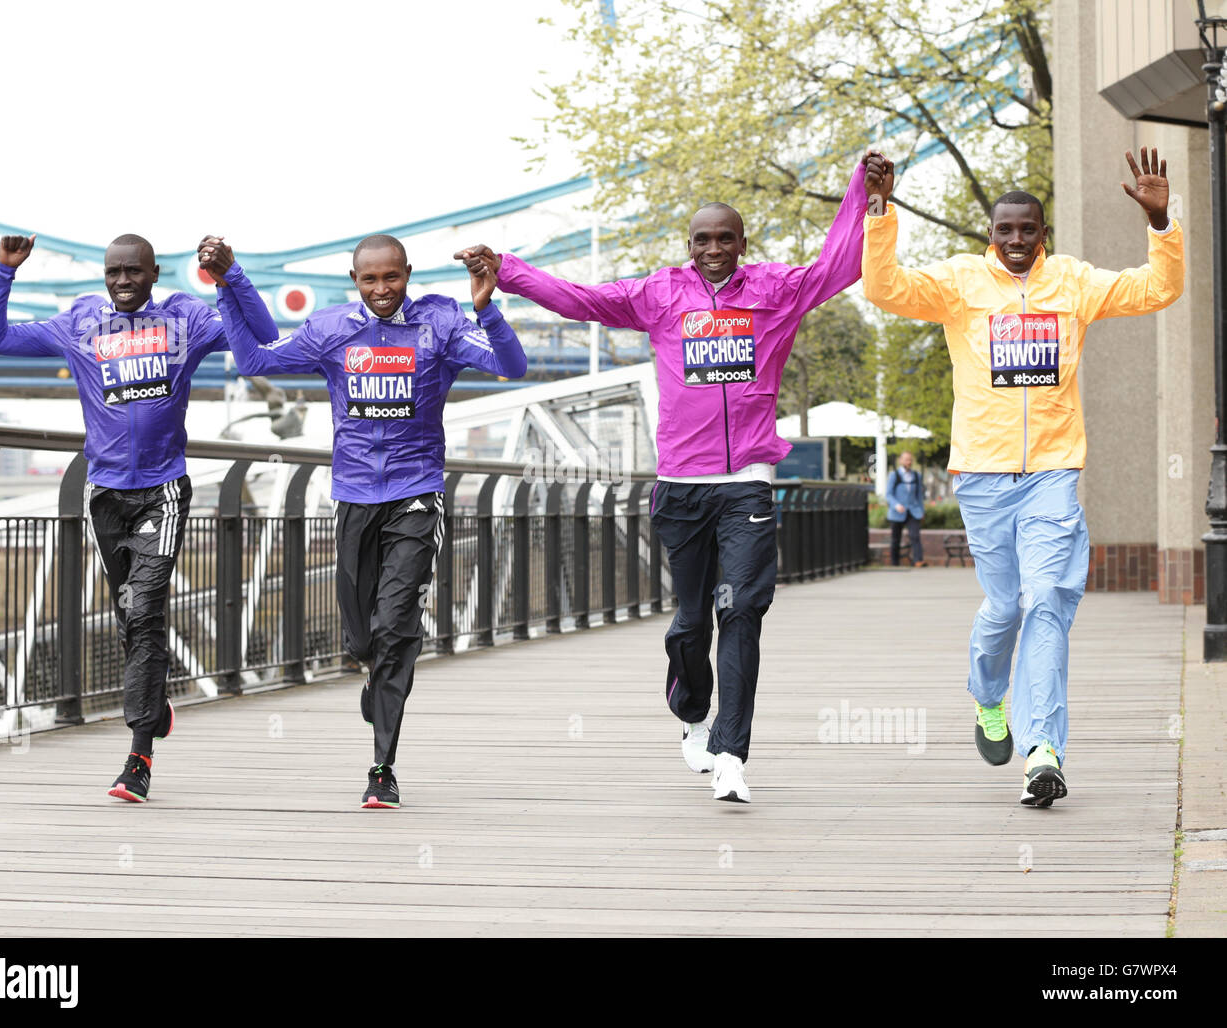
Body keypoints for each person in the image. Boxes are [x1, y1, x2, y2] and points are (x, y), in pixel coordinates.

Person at [454, 151, 882, 803]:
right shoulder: (660, 295)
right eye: (702, 240)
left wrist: (864, 193)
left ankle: (731, 753)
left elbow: (839, 265)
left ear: (744, 244)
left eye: (725, 238)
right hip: (680, 488)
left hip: (748, 484)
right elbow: (583, 301)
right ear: (689, 248)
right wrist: (506, 272)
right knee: (689, 624)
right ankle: (691, 711)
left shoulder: (776, 291)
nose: (714, 249)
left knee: (740, 611)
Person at [862, 147, 1184, 806]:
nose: (1016, 240)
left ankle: (1044, 749)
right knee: (1004, 607)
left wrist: (1161, 224)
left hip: (1052, 474)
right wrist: (879, 212)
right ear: (990, 235)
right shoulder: (959, 285)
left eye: (1028, 229)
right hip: (982, 475)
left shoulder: (1073, 282)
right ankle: (988, 696)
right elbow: (884, 287)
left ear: (1044, 235)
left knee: (1046, 603)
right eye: (1004, 230)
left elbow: (1158, 289)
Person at [204, 234, 527, 809]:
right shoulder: (331, 330)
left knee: (395, 624)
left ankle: (382, 768)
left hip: (415, 493)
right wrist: (231, 282)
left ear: (408, 273)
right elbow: (254, 359)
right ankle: (375, 670)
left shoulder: (441, 325)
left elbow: (511, 364)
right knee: (362, 636)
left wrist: (486, 305)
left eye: (392, 278)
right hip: (353, 495)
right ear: (355, 280)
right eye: (370, 280)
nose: (382, 290)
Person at [0, 232, 279, 802]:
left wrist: (230, 276)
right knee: (129, 615)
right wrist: (3, 271)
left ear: (155, 272)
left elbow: (262, 338)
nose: (122, 281)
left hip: (163, 490)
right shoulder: (81, 323)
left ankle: (138, 757)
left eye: (133, 272)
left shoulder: (185, 319)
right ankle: (153, 698)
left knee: (145, 610)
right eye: (113, 271)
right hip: (105, 494)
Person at [885, 451, 926, 566]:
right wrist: (896, 505)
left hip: (913, 510)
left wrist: (921, 511)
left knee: (915, 536)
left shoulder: (916, 476)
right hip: (897, 512)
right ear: (901, 460)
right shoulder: (894, 475)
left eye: (910, 460)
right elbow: (888, 494)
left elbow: (919, 496)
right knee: (895, 538)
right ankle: (895, 562)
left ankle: (918, 560)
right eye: (906, 459)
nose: (909, 462)